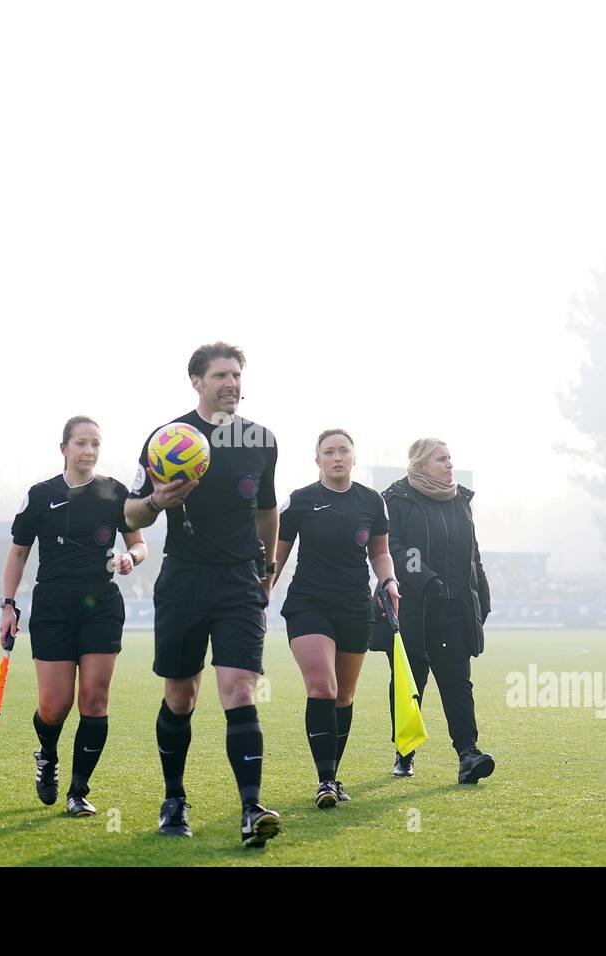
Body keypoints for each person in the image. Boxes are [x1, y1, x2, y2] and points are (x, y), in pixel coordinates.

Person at [123, 341, 282, 847]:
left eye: (236, 374)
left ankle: (251, 807)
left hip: (239, 581)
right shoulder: (167, 438)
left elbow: (267, 511)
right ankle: (174, 800)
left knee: (239, 689)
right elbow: (129, 513)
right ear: (196, 381)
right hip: (184, 579)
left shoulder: (261, 440)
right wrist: (155, 500)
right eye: (220, 375)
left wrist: (268, 569)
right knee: (181, 695)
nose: (231, 383)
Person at [1, 416, 148, 818]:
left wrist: (129, 558)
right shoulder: (40, 494)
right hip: (51, 608)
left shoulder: (115, 492)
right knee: (54, 706)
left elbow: (140, 544)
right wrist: (7, 604)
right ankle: (47, 753)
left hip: (100, 605)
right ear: (64, 448)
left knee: (95, 700)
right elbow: (18, 553)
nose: (89, 451)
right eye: (81, 443)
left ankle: (78, 791)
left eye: (95, 444)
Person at [273, 428, 398, 808]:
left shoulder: (372, 501)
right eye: (329, 452)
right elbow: (276, 555)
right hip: (308, 603)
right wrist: (258, 595)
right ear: (318, 461)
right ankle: (325, 781)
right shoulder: (300, 501)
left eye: (344, 450)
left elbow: (379, 552)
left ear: (354, 457)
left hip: (355, 606)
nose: (337, 457)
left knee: (344, 695)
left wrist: (388, 579)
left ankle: (331, 774)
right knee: (323, 687)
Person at [373, 438, 495, 784]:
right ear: (421, 464)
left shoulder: (461, 502)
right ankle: (405, 751)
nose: (449, 465)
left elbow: (472, 553)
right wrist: (422, 576)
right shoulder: (396, 499)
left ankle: (468, 754)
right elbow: (390, 547)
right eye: (442, 459)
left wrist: (481, 595)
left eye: (450, 458)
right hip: (412, 607)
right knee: (411, 683)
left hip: (454, 609)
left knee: (458, 681)